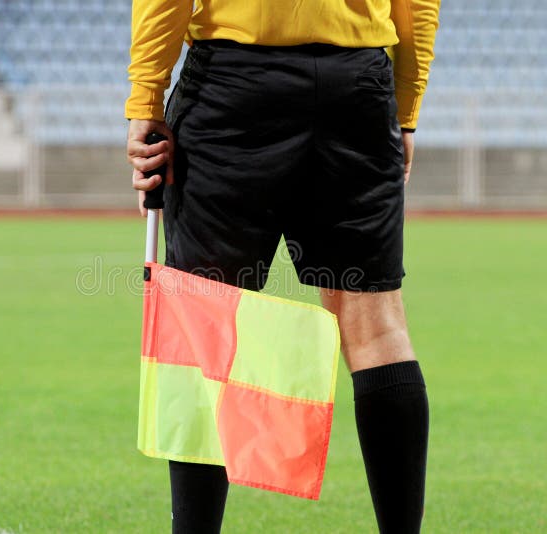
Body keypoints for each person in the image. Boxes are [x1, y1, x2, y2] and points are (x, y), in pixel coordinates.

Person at [125, 1, 440, 532]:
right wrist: (405, 111)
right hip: (355, 87)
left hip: (233, 87)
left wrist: (145, 102)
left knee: (208, 332)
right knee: (377, 332)